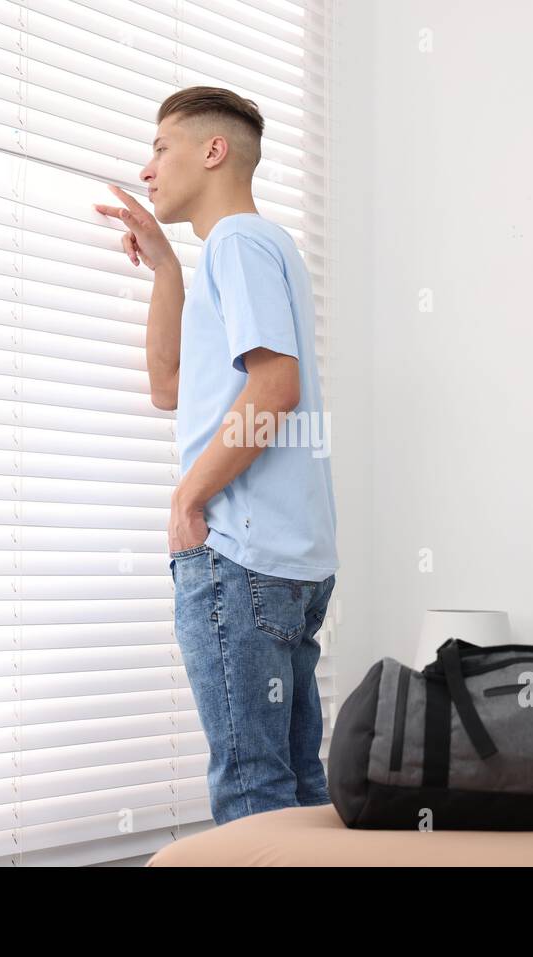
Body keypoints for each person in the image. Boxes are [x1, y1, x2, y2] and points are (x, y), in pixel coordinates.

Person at [94, 86, 338, 826]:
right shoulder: (253, 251)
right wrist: (167, 270)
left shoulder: (236, 242)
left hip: (239, 558)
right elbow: (169, 387)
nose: (147, 169)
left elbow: (276, 387)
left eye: (160, 147)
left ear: (213, 150)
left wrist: (187, 497)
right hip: (287, 564)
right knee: (298, 787)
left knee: (251, 790)